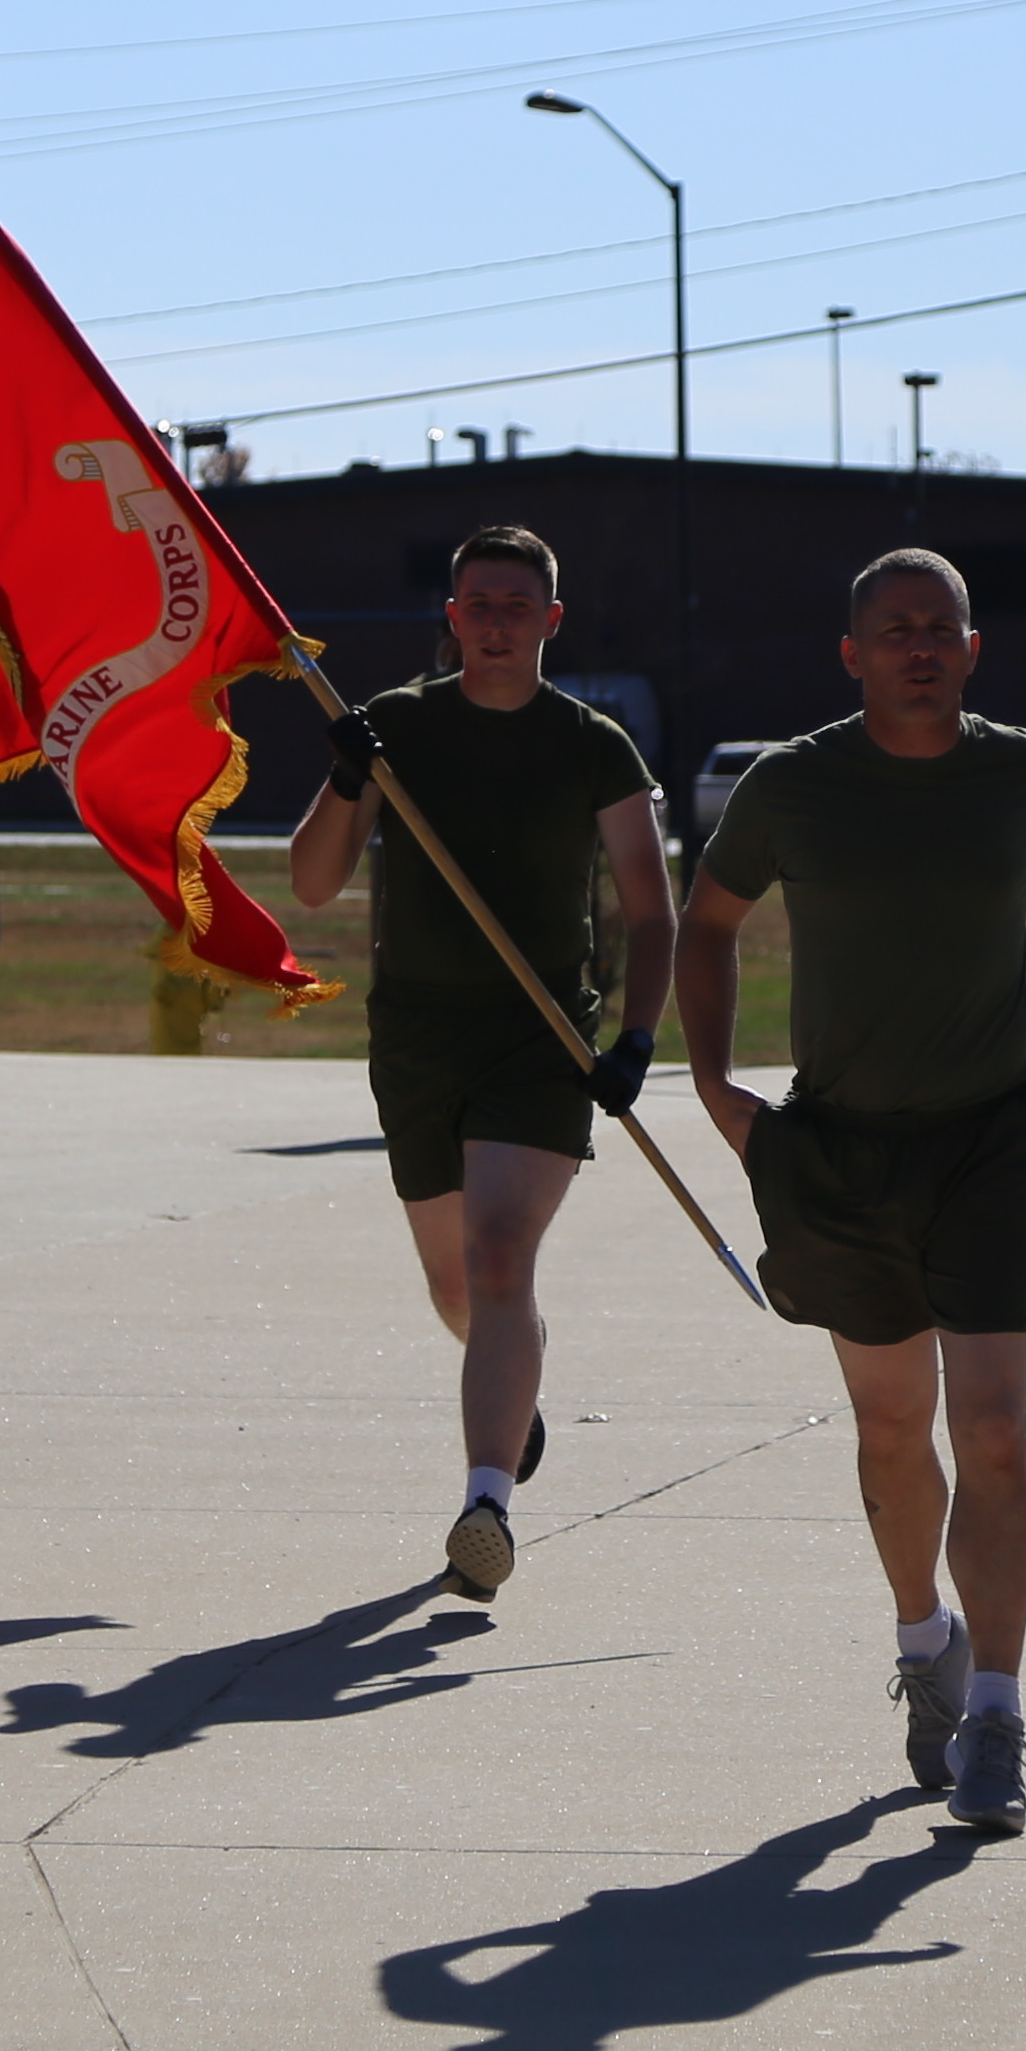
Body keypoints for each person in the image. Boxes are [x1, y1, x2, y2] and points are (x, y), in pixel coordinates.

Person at [673, 547, 1026, 1836]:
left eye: (940, 628)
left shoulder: (1020, 770)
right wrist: (714, 1084)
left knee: (993, 1431)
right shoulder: (793, 783)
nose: (919, 647)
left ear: (972, 647)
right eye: (894, 630)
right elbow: (708, 918)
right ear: (852, 654)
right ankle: (923, 1643)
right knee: (893, 1429)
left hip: (990, 1140)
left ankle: (997, 1712)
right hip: (840, 1152)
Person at [281, 523, 669, 1605]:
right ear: (451, 619)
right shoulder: (396, 726)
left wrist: (637, 1038)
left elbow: (651, 909)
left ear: (553, 621)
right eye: (478, 606)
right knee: (458, 1288)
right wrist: (346, 777)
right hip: (417, 1038)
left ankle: (485, 1508)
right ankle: (513, 1387)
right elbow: (311, 884)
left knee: (500, 1259)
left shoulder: (595, 745)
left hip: (541, 1039)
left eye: (517, 606)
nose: (497, 625)